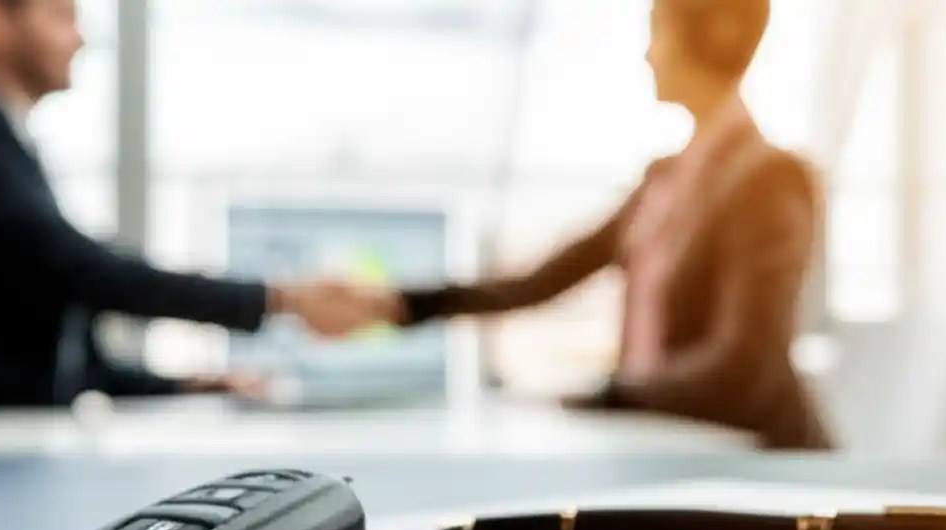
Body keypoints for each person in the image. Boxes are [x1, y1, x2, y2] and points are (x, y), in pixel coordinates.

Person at [340, 0, 834, 451]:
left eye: (658, 34)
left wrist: (611, 396)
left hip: (761, 459)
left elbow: (743, 361)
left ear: (712, 39)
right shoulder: (665, 181)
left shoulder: (769, 182)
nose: (647, 55)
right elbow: (541, 282)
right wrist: (399, 304)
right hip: (671, 446)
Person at [0, 0, 364, 408]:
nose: (79, 39)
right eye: (60, 16)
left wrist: (182, 385)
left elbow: (52, 347)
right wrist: (280, 300)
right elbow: (87, 272)